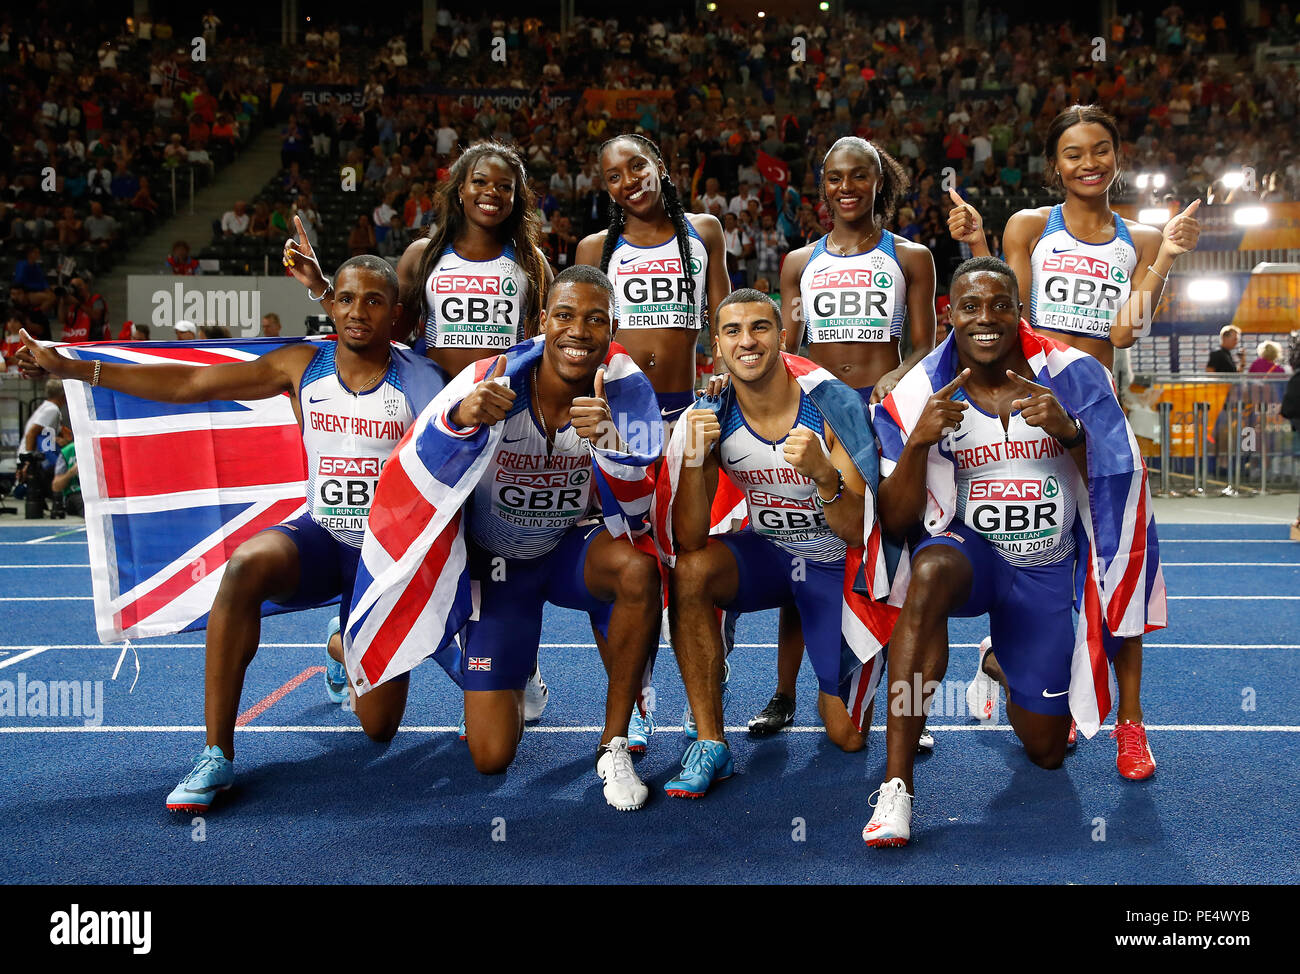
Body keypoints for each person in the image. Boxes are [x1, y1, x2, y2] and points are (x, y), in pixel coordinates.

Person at [17, 256, 444, 813]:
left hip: (382, 562)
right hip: (319, 538)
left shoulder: (421, 379)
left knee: (379, 730)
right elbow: (193, 382)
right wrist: (76, 369)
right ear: (330, 305)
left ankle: (342, 646)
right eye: (344, 298)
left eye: (373, 301)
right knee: (245, 565)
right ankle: (215, 752)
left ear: (397, 315)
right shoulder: (300, 365)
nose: (356, 311)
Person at [863, 258, 1164, 846]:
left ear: (1018, 312)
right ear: (949, 315)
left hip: (1045, 573)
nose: (985, 318)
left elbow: (1121, 482)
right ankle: (897, 788)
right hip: (972, 558)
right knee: (927, 570)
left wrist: (1072, 433)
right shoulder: (920, 393)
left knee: (1048, 752)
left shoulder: (1072, 377)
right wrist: (921, 441)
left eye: (999, 305)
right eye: (970, 307)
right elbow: (897, 521)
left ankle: (998, 662)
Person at [350, 266, 663, 810]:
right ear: (542, 320)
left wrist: (611, 442)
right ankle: (466, 643)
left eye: (595, 319)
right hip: (496, 571)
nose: (579, 331)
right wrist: (460, 420)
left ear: (612, 328)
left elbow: (642, 511)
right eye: (565, 315)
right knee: (490, 756)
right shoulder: (490, 379)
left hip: (565, 553)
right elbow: (416, 464)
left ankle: (613, 744)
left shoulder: (624, 391)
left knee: (638, 570)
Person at [947, 105, 1198, 779]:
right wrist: (978, 250)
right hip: (1032, 412)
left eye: (1101, 150)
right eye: (1074, 153)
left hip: (1101, 417)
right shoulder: (1030, 226)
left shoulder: (1140, 236)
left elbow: (1123, 333)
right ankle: (1002, 655)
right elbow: (1011, 316)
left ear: (1118, 156)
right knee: (1029, 549)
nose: (1089, 163)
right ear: (1055, 165)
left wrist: (1166, 256)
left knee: (1122, 567)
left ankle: (1131, 724)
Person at [284, 141, 555, 718]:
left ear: (516, 197)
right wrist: (321, 290)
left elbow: (545, 347)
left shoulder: (531, 262)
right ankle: (350, 642)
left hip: (506, 431)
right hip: (435, 432)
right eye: (480, 182)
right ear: (460, 188)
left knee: (496, 551)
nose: (491, 193)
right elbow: (378, 324)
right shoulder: (422, 258)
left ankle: (515, 662)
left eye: (503, 186)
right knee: (431, 549)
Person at [662, 289, 895, 796]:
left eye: (760, 328)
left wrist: (824, 476)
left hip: (836, 561)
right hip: (770, 553)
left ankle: (834, 668)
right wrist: (696, 459)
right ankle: (710, 741)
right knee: (691, 571)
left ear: (783, 337)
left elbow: (858, 531)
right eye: (732, 331)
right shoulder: (712, 410)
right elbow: (689, 538)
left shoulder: (832, 404)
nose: (747, 341)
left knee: (849, 737)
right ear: (717, 348)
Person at [760, 136, 937, 738]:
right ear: (823, 186)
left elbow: (925, 348)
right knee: (804, 548)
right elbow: (784, 350)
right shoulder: (797, 262)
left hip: (880, 418)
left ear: (877, 183)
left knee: (893, 557)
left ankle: (901, 700)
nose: (846, 188)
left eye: (858, 176)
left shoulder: (909, 256)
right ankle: (784, 693)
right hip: (816, 419)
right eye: (835, 177)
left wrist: (896, 374)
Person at [576, 132, 731, 750]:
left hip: (689, 414)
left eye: (635, 165)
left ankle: (705, 714)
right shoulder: (596, 247)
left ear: (659, 165)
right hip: (624, 420)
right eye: (612, 176)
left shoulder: (705, 231)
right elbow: (579, 332)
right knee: (629, 561)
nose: (627, 180)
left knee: (694, 560)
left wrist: (721, 371)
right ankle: (635, 698)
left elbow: (723, 319)